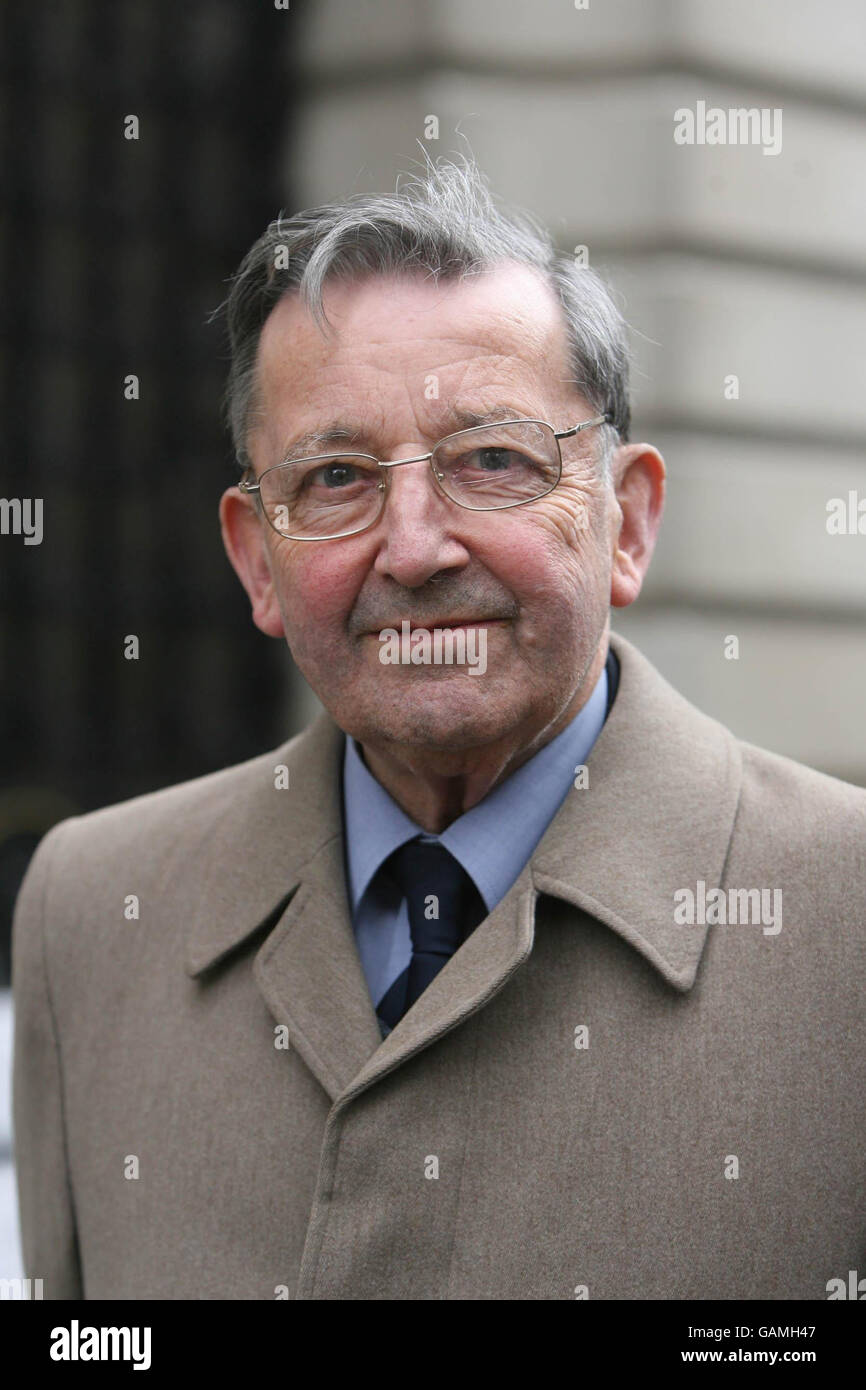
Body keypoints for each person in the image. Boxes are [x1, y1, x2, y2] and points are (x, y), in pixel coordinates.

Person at [12, 157, 865, 1301]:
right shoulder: (92, 911)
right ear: (256, 560)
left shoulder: (841, 928)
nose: (412, 549)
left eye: (492, 462)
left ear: (628, 522)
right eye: (334, 478)